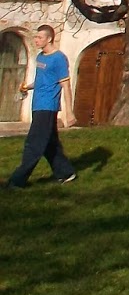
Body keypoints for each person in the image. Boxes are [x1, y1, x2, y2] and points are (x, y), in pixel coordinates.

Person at [7, 25, 76, 188]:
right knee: (50, 143)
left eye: (39, 38)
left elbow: (65, 85)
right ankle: (66, 173)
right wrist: (27, 87)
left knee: (34, 143)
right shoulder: (40, 57)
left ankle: (17, 181)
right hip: (37, 104)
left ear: (49, 39)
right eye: (36, 37)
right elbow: (42, 80)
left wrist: (69, 112)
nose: (36, 40)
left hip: (47, 107)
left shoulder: (59, 58)